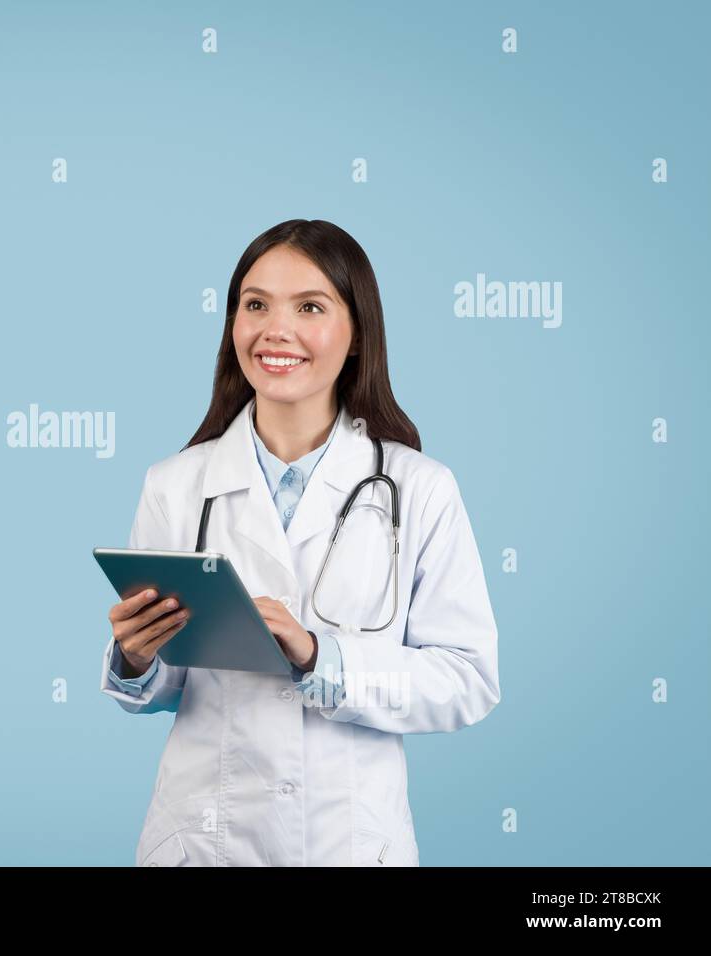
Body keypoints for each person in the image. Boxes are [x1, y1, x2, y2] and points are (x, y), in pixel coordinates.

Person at [100, 219, 500, 866]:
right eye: (255, 305)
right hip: (205, 842)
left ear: (356, 336)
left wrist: (322, 658)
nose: (274, 330)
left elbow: (467, 680)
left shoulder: (419, 488)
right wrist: (136, 657)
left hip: (347, 841)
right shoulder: (174, 485)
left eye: (309, 307)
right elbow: (168, 685)